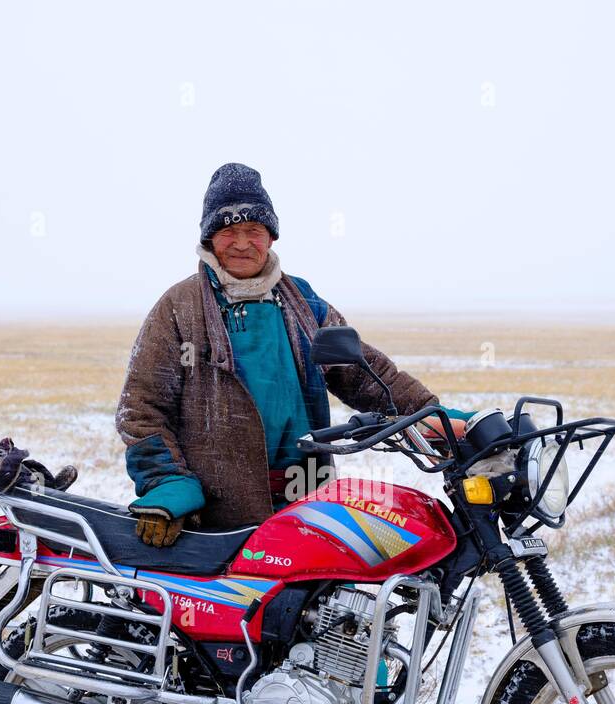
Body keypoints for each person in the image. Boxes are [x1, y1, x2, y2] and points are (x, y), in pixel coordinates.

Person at [116, 162, 468, 545]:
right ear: (209, 238)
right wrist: (167, 482)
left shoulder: (304, 304)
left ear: (271, 236)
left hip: (305, 501)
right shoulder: (178, 308)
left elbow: (368, 376)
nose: (241, 242)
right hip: (216, 518)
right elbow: (141, 410)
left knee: (322, 602)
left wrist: (437, 419)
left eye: (253, 230)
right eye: (228, 230)